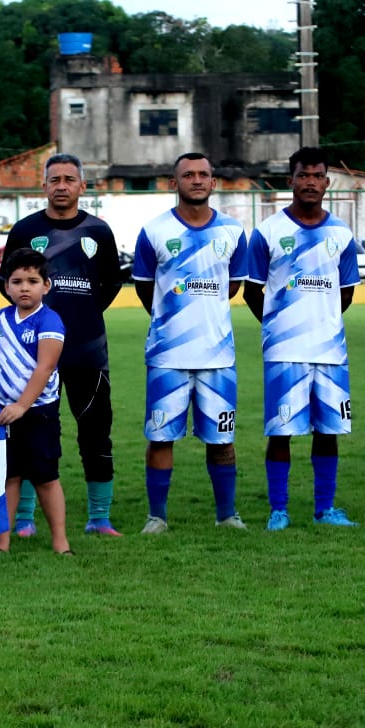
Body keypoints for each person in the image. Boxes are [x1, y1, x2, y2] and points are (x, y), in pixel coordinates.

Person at [3, 154, 123, 537]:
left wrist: (81, 316)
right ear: (44, 186)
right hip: (31, 355)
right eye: (54, 179)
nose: (61, 185)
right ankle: (23, 521)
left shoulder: (99, 231)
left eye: (70, 179)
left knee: (95, 431)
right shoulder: (25, 230)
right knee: (26, 433)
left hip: (87, 350)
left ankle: (99, 518)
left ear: (82, 187)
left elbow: (110, 285)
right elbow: (12, 284)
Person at [243, 146, 360, 529]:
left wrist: (319, 322)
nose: (310, 182)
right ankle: (279, 509)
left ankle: (325, 509)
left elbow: (346, 293)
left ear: (327, 182)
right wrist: (280, 326)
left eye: (317, 176)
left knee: (328, 431)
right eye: (303, 175)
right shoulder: (268, 231)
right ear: (290, 180)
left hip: (329, 350)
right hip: (284, 352)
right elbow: (251, 291)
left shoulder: (340, 233)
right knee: (281, 431)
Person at [131, 153, 248, 534]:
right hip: (168, 356)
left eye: (204, 174)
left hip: (218, 356)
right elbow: (146, 289)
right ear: (173, 182)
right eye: (188, 175)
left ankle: (227, 515)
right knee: (162, 436)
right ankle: (157, 517)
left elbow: (232, 286)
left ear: (214, 182)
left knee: (223, 438)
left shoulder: (232, 231)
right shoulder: (154, 231)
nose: (196, 180)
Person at [0, 249, 72, 556]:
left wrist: (22, 406)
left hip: (38, 413)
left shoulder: (49, 320)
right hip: (3, 412)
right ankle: (2, 541)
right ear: (5, 286)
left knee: (46, 478)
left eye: (32, 281)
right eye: (17, 281)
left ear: (45, 286)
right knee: (9, 477)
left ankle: (60, 542)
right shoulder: (1, 318)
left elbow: (45, 367)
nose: (24, 287)